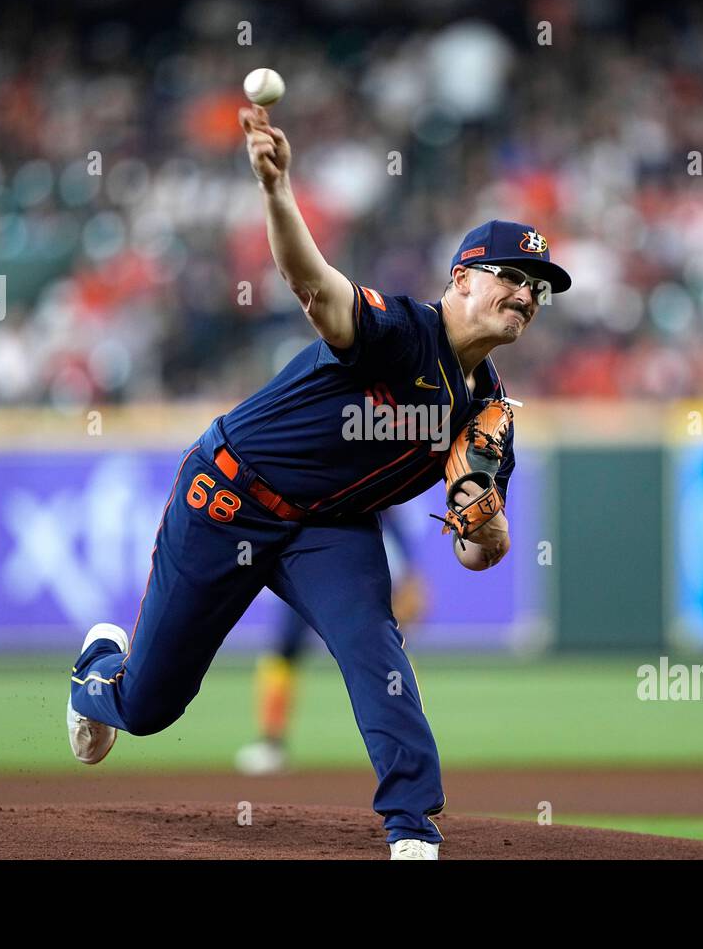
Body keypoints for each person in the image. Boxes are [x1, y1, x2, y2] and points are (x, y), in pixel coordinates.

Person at [66, 103, 571, 859]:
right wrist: (276, 191)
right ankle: (97, 671)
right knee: (148, 707)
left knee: (376, 646)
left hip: (328, 529)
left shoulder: (490, 411)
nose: (528, 296)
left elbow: (474, 554)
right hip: (228, 499)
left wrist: (486, 525)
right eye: (514, 277)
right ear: (463, 278)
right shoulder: (402, 331)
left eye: (541, 287)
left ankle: (411, 826)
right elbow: (315, 287)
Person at [234, 507, 428, 776]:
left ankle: (406, 745)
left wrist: (409, 576)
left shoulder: (368, 477)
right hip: (307, 562)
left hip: (357, 566)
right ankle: (271, 742)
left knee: (386, 652)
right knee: (285, 650)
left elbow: (390, 517)